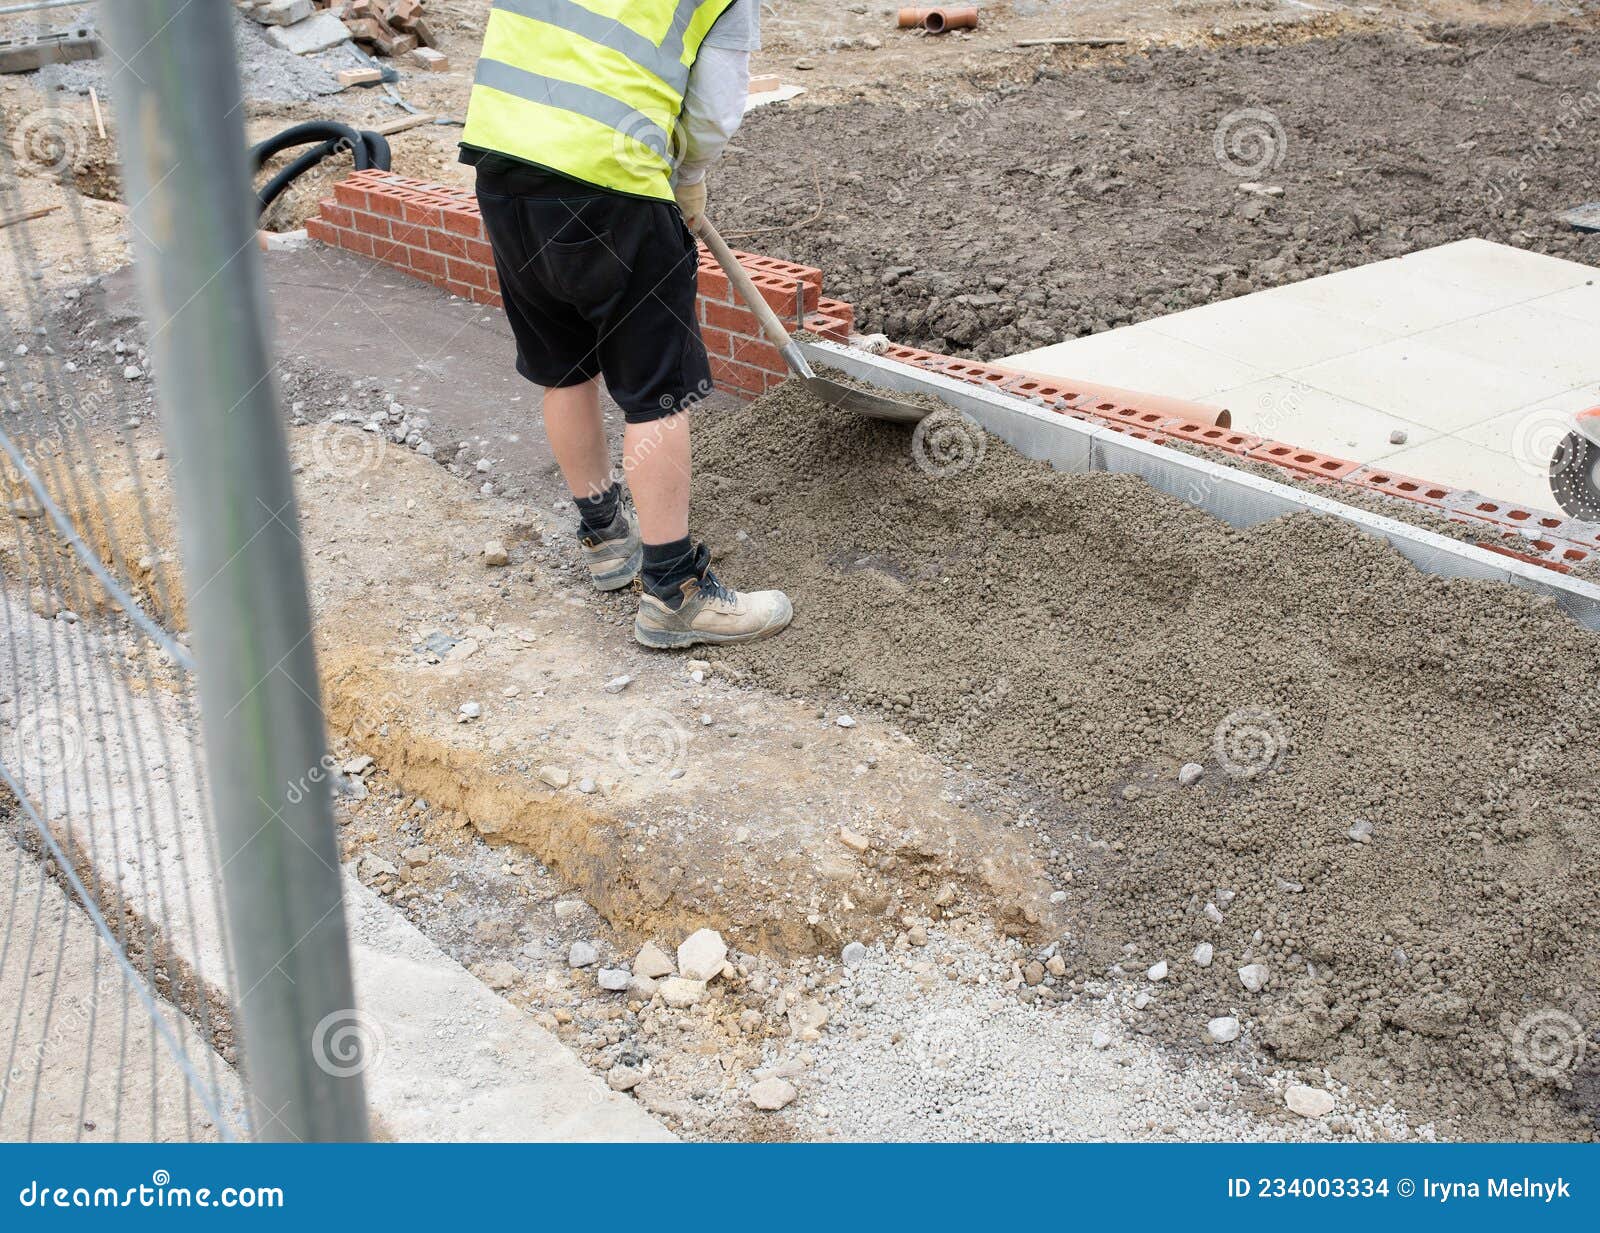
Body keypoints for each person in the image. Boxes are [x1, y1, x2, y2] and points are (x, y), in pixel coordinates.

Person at [458, 0, 792, 650]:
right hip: (611, 180)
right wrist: (689, 175)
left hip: (502, 168)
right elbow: (714, 111)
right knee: (658, 391)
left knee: (564, 364)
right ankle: (673, 592)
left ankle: (606, 540)